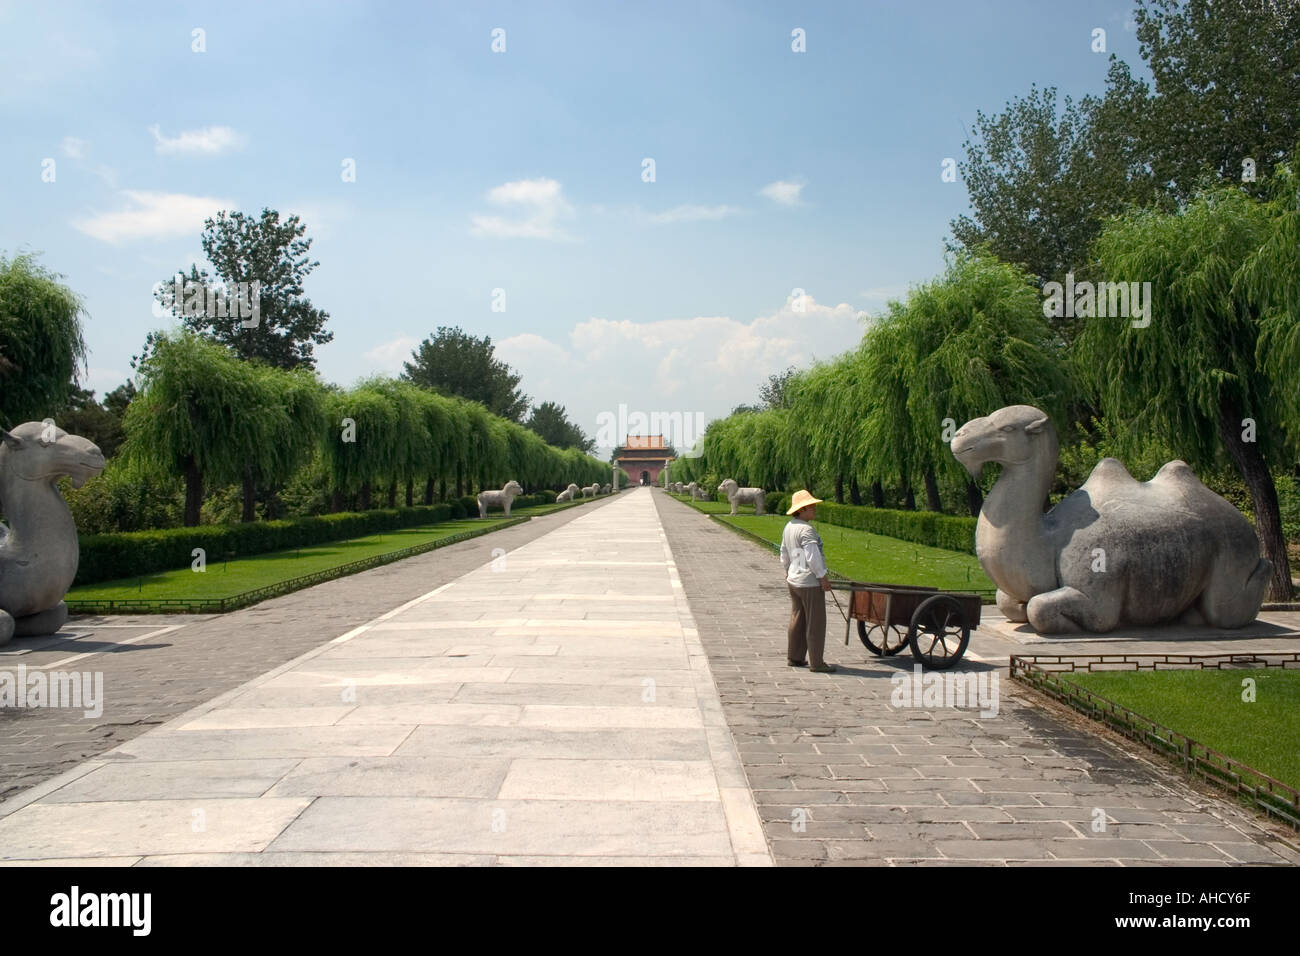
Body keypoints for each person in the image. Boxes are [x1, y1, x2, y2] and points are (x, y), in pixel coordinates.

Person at [780, 489, 836, 673]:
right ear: (802, 509)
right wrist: (823, 577)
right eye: (812, 507)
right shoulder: (806, 530)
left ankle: (794, 657)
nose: (814, 510)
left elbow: (784, 552)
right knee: (816, 622)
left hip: (794, 580)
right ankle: (817, 662)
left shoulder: (790, 526)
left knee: (797, 618)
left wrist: (787, 570)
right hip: (809, 582)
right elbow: (813, 557)